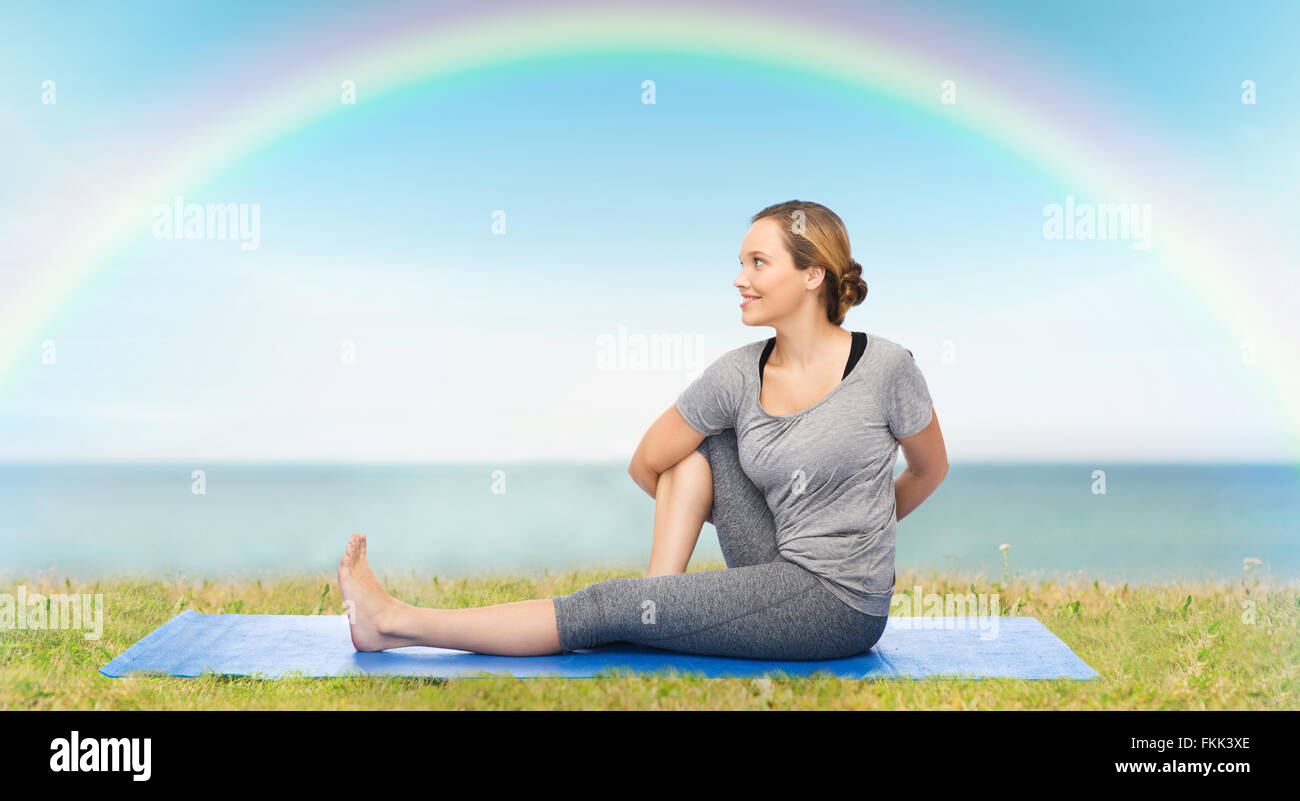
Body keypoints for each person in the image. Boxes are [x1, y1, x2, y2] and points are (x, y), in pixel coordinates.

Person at [338, 200, 949, 660]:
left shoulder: (886, 368)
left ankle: (392, 622)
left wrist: (861, 529)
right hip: (773, 558)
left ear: (812, 275)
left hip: (839, 602)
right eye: (740, 263)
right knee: (701, 445)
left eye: (758, 263)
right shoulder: (736, 373)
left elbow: (929, 469)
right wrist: (707, 523)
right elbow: (648, 463)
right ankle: (656, 602)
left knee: (604, 605)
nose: (740, 278)